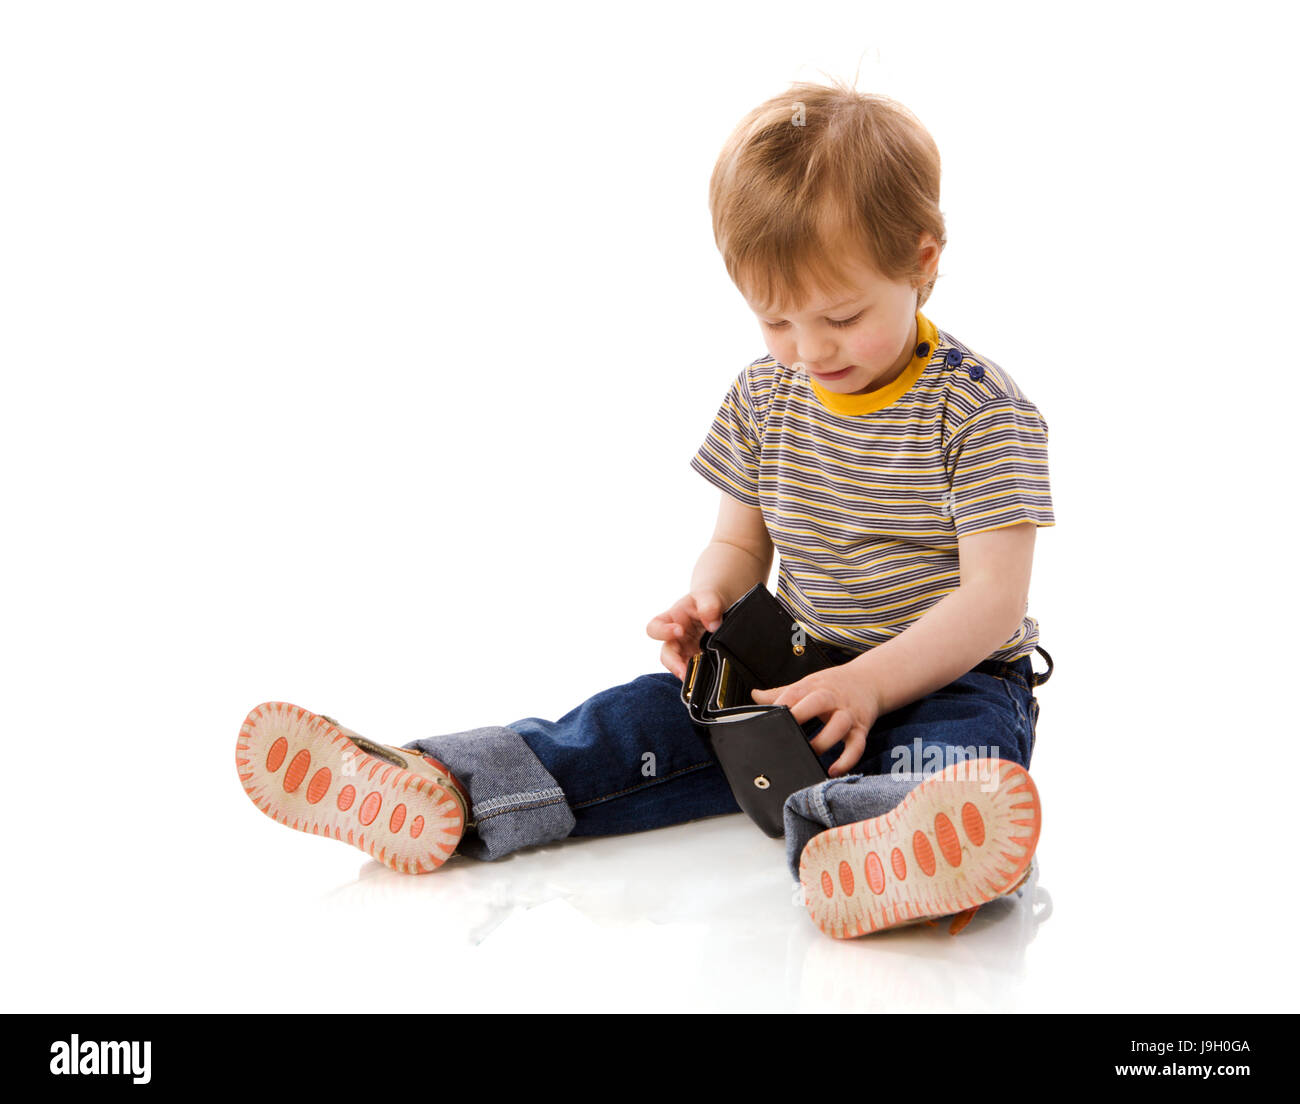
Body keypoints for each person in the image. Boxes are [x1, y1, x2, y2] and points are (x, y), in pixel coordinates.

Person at [236, 78, 1055, 939]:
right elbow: (738, 543)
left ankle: (884, 849)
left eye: (841, 316)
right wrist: (710, 600)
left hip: (949, 675)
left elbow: (990, 602)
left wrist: (871, 684)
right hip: (795, 674)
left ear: (922, 261)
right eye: (776, 321)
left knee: (961, 764)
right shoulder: (768, 395)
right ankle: (440, 783)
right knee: (627, 724)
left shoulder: (981, 411)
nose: (811, 350)